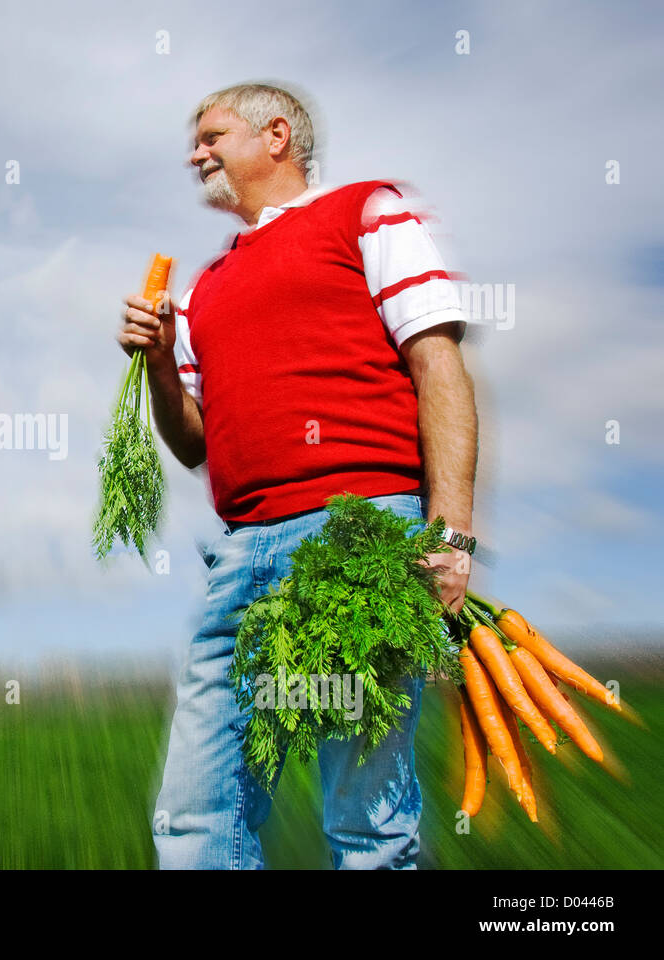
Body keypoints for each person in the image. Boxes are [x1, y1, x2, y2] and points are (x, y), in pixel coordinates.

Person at [118, 83, 480, 869]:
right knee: (195, 818)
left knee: (366, 820)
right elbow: (193, 445)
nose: (195, 154)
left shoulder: (366, 212)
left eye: (211, 135)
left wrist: (449, 537)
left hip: (360, 539)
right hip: (241, 553)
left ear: (275, 135)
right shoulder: (203, 290)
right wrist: (157, 361)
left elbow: (437, 365)